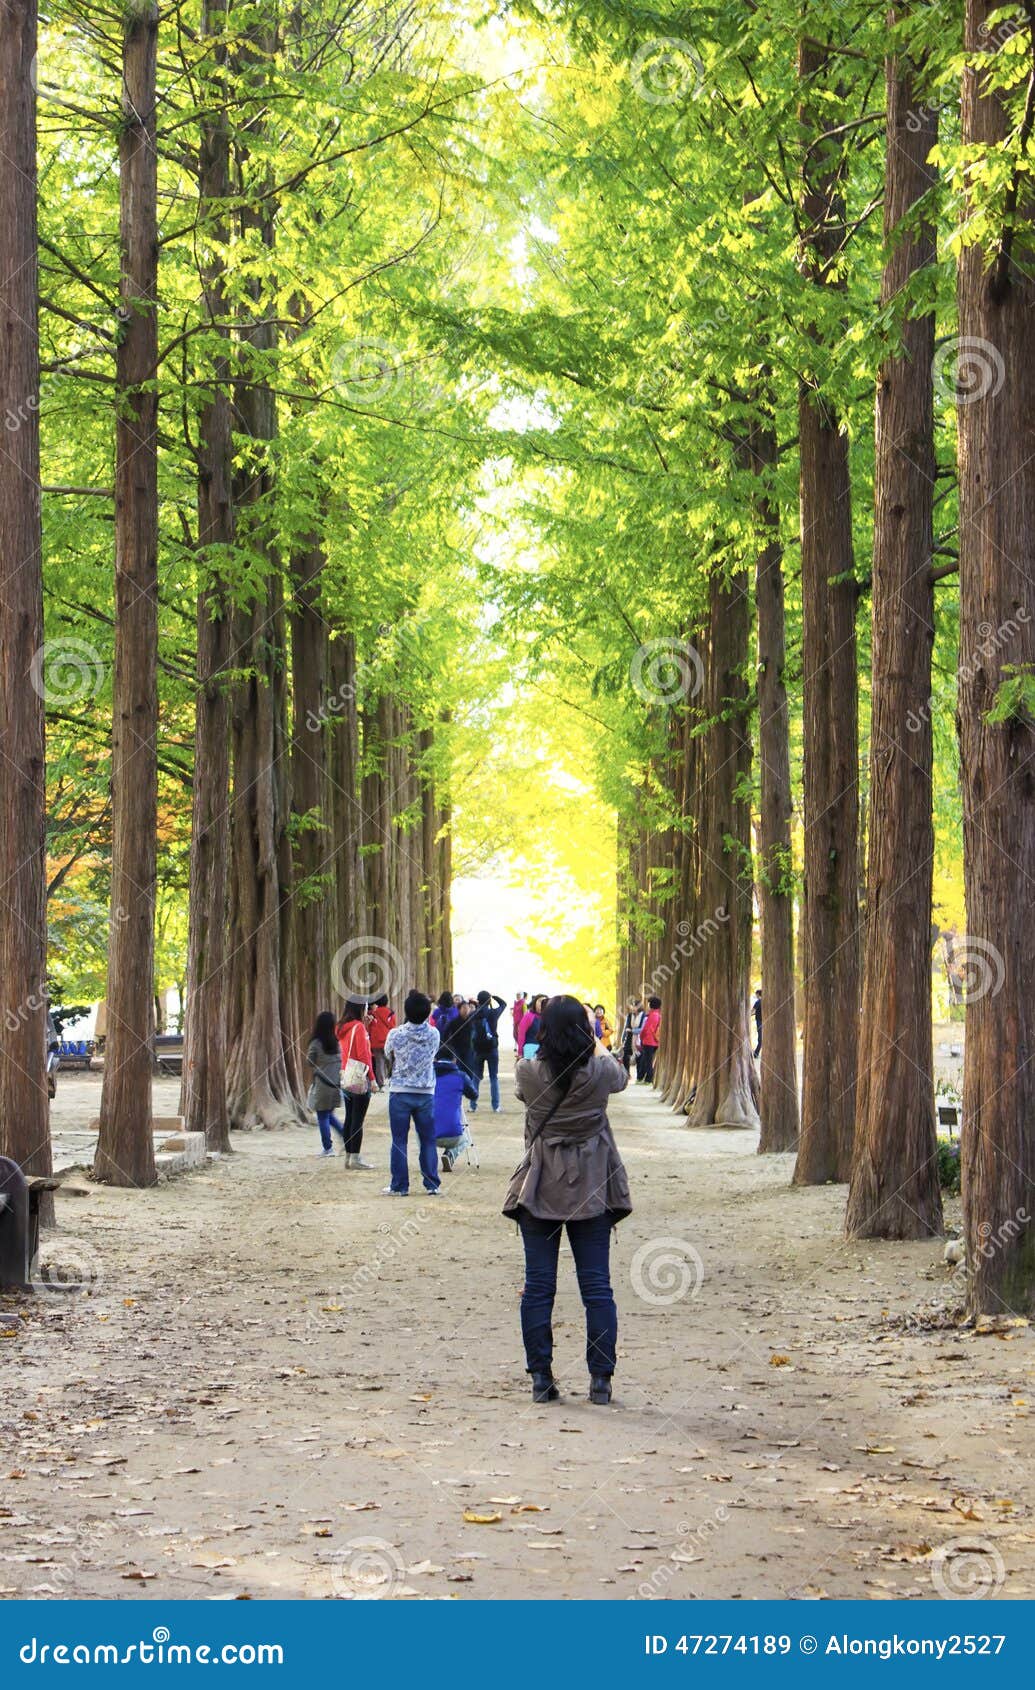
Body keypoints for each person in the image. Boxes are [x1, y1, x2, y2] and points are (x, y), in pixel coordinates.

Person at [505, 994, 631, 1406]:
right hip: (593, 1185)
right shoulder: (600, 1071)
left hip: (540, 1185)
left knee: (538, 1287)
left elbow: (530, 1098)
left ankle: (541, 1377)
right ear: (585, 1029)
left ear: (543, 1030)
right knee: (597, 1286)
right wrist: (593, 1040)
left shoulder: (528, 1071)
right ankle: (601, 1380)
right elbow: (621, 1076)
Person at [383, 990, 441, 1195]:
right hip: (426, 1092)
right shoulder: (434, 1033)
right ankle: (432, 1184)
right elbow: (434, 1053)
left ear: (406, 1011)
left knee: (399, 1139)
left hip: (400, 1091)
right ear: (427, 1013)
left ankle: (399, 1186)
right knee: (427, 1139)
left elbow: (386, 1054)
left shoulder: (395, 1034)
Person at [335, 1000, 378, 1167]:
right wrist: (373, 1079)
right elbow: (364, 1055)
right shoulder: (358, 1028)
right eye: (366, 1008)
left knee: (350, 1117)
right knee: (357, 1120)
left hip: (347, 1076)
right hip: (360, 1077)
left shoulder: (342, 1027)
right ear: (361, 1009)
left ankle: (348, 1156)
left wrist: (365, 1027)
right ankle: (356, 1158)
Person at [306, 1011, 346, 1157]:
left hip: (322, 1085)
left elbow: (309, 1061)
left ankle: (328, 1148)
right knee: (329, 1115)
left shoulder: (316, 1043)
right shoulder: (336, 1043)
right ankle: (345, 1137)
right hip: (335, 1085)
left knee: (323, 1116)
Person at [433, 1047, 478, 1172]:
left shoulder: (429, 1075)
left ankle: (428, 1158)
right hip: (453, 1134)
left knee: (421, 1130)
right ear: (454, 1061)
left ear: (435, 1059)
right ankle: (450, 1154)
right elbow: (474, 1095)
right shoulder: (460, 1076)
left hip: (429, 1134)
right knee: (465, 1140)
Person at [471, 990, 506, 1112]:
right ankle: (496, 1106)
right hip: (492, 1048)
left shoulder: (474, 1014)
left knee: (476, 1078)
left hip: (478, 1049)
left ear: (478, 1000)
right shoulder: (493, 1013)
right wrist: (495, 997)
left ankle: (473, 1105)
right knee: (493, 1078)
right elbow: (503, 1004)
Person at [368, 993, 397, 1088]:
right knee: (390, 1061)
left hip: (376, 1043)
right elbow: (393, 1026)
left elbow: (370, 1027)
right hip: (388, 1041)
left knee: (379, 1063)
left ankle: (380, 1083)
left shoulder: (373, 1014)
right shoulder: (390, 1013)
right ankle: (392, 1080)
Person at [637, 996, 661, 1083]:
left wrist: (641, 1036)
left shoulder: (653, 1015)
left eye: (648, 1004)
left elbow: (647, 1029)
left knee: (648, 1061)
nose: (647, 1005)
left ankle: (648, 1079)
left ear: (651, 1005)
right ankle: (643, 1077)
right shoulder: (657, 1014)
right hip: (654, 1042)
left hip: (649, 1041)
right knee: (646, 1060)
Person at [517, 993, 547, 1059]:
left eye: (544, 1001)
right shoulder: (528, 1016)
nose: (542, 1003)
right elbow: (521, 1035)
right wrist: (520, 1052)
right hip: (530, 1050)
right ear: (535, 1002)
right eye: (540, 1001)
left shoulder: (548, 1017)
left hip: (544, 1051)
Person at [620, 1000, 644, 1073]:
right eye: (632, 1006)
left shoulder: (643, 1016)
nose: (633, 1008)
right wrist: (623, 1038)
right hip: (629, 1038)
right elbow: (626, 1027)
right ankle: (626, 1073)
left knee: (639, 1057)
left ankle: (639, 1076)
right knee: (625, 1056)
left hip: (639, 1038)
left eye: (635, 1006)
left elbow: (643, 1028)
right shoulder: (630, 1015)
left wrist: (633, 1030)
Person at [751, 986, 762, 1058]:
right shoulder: (764, 1001)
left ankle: (756, 1053)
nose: (756, 995)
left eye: (756, 994)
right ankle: (756, 1053)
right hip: (763, 1021)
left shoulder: (758, 1002)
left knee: (760, 1038)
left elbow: (752, 1011)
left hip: (759, 1022)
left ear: (758, 994)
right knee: (761, 1038)